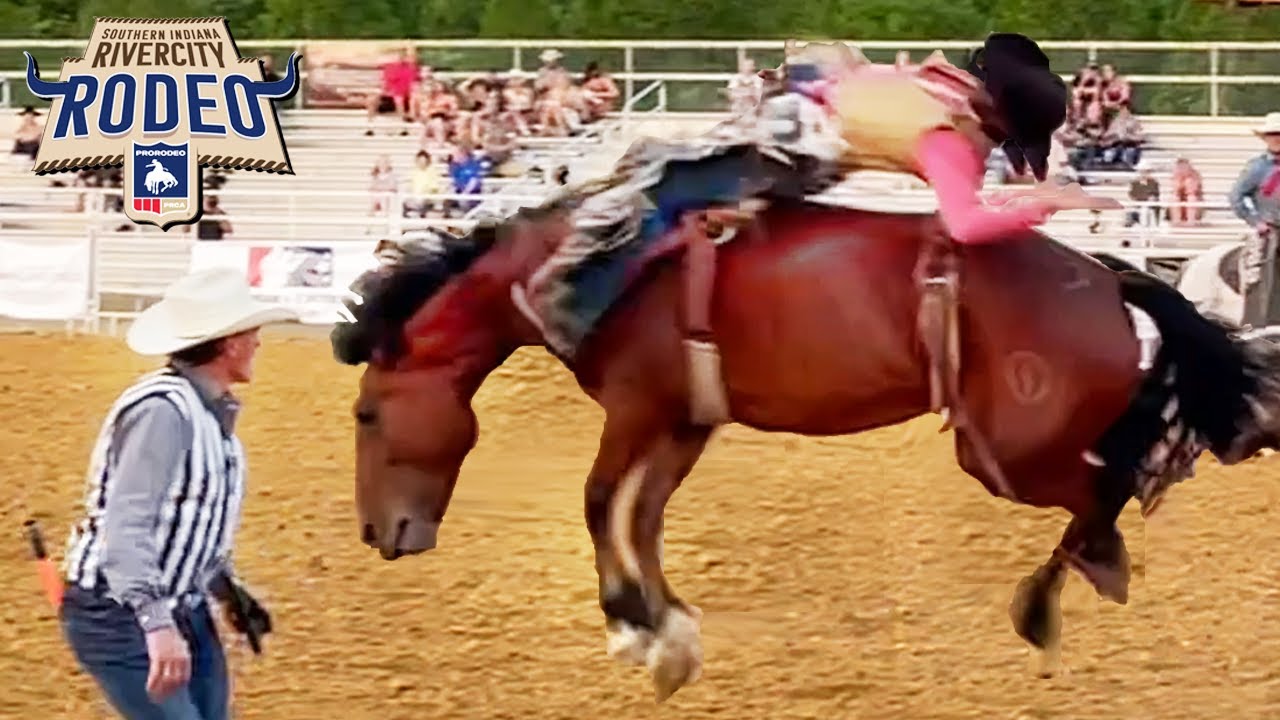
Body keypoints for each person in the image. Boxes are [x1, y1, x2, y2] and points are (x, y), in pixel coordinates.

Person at [516, 34, 1115, 360]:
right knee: (658, 195)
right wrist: (1045, 203)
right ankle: (572, 301)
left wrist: (1035, 202)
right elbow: (965, 223)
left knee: (661, 190)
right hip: (791, 144)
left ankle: (572, 300)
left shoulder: (944, 91)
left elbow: (964, 219)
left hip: (795, 133)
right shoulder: (951, 144)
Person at [58, 268, 295, 719]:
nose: (258, 344)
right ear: (228, 344)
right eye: (253, 334)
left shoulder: (205, 412)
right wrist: (156, 623)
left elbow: (186, 516)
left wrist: (227, 589)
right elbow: (126, 526)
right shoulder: (162, 412)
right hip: (120, 612)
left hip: (179, 603)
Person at [1227, 111, 1280, 328]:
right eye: (1272, 134)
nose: (1276, 138)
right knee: (1266, 275)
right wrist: (1255, 220)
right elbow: (1236, 196)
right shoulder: (1257, 167)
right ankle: (1265, 324)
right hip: (1273, 228)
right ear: (1265, 138)